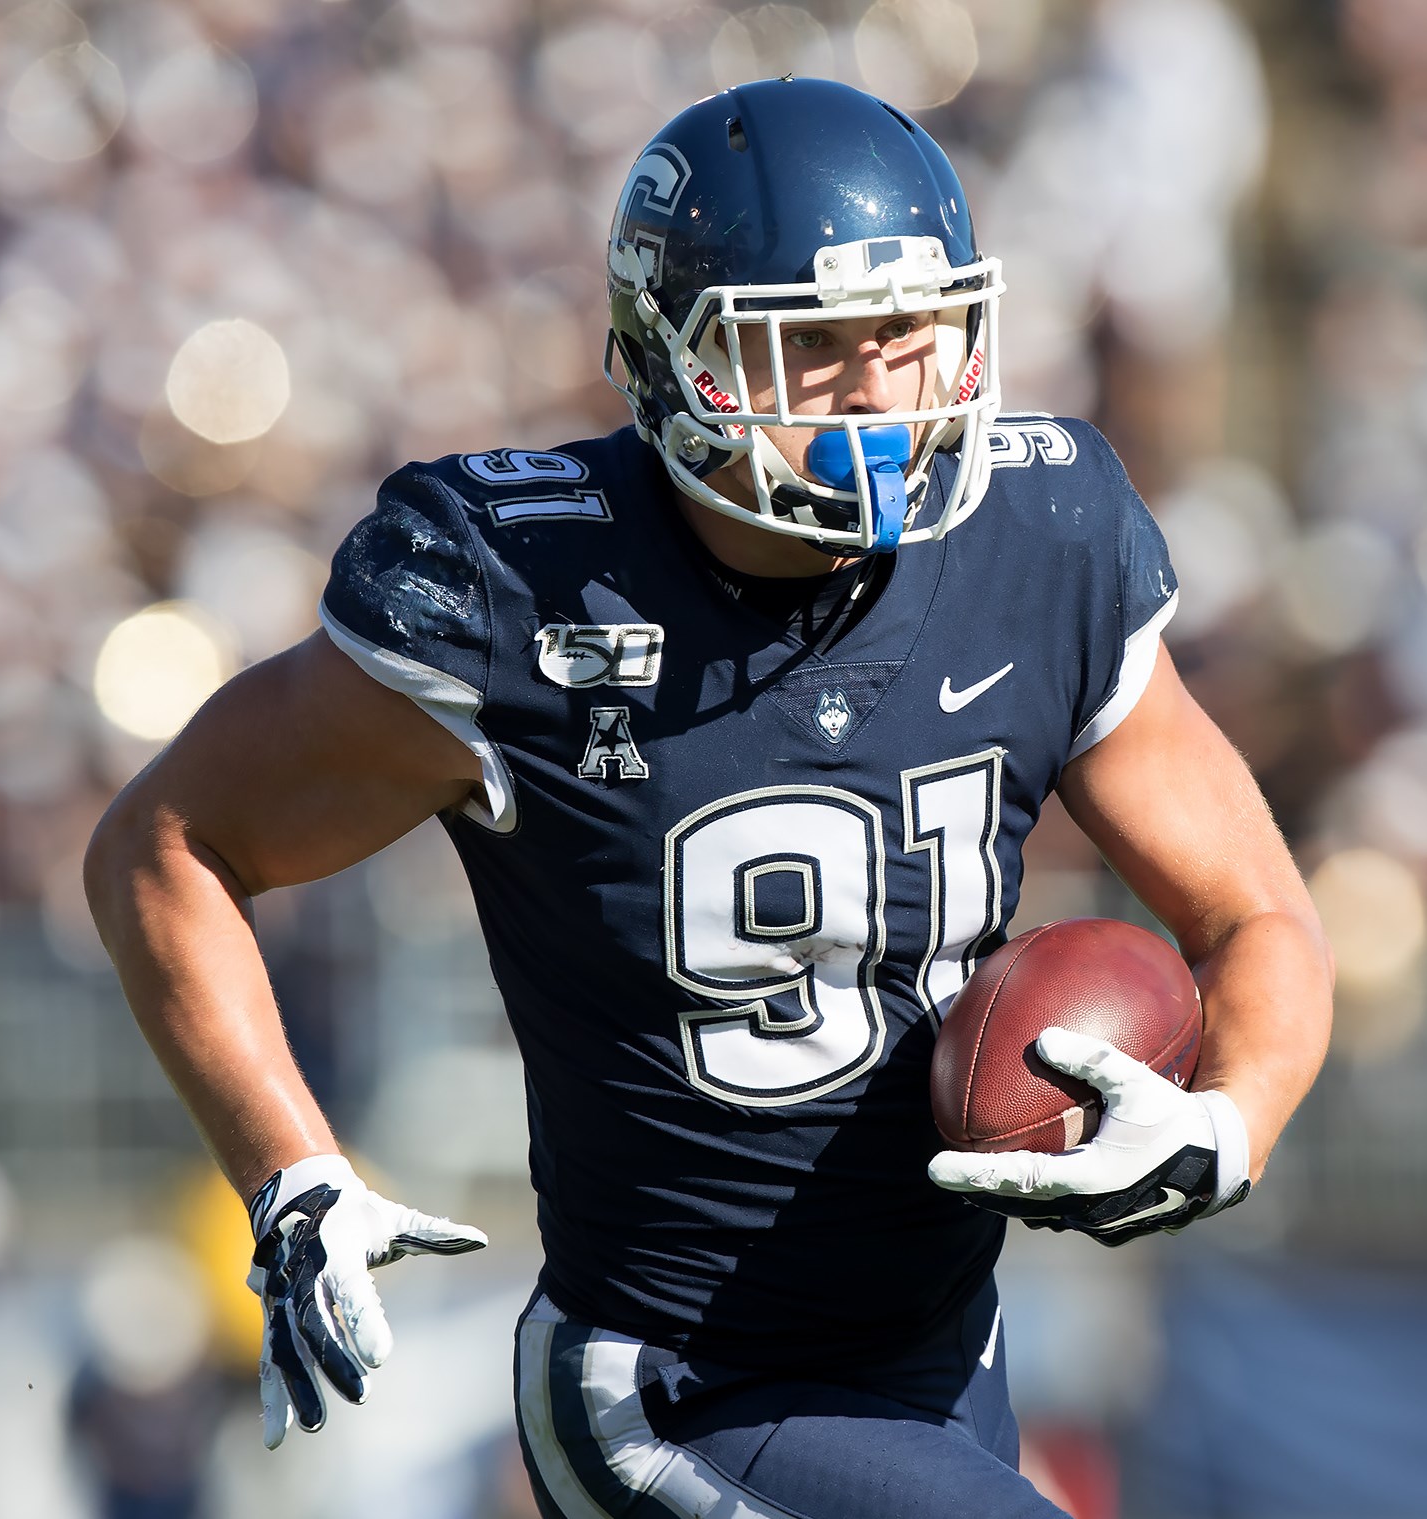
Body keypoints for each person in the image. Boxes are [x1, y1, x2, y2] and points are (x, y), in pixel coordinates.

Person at [85, 78, 1330, 1518]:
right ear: (671, 359)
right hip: (673, 1383)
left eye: (912, 338)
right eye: (816, 355)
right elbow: (167, 843)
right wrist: (289, 1170)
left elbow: (1255, 914)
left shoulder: (1040, 540)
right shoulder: (518, 590)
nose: (883, 396)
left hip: (940, 1364)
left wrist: (1230, 1120)